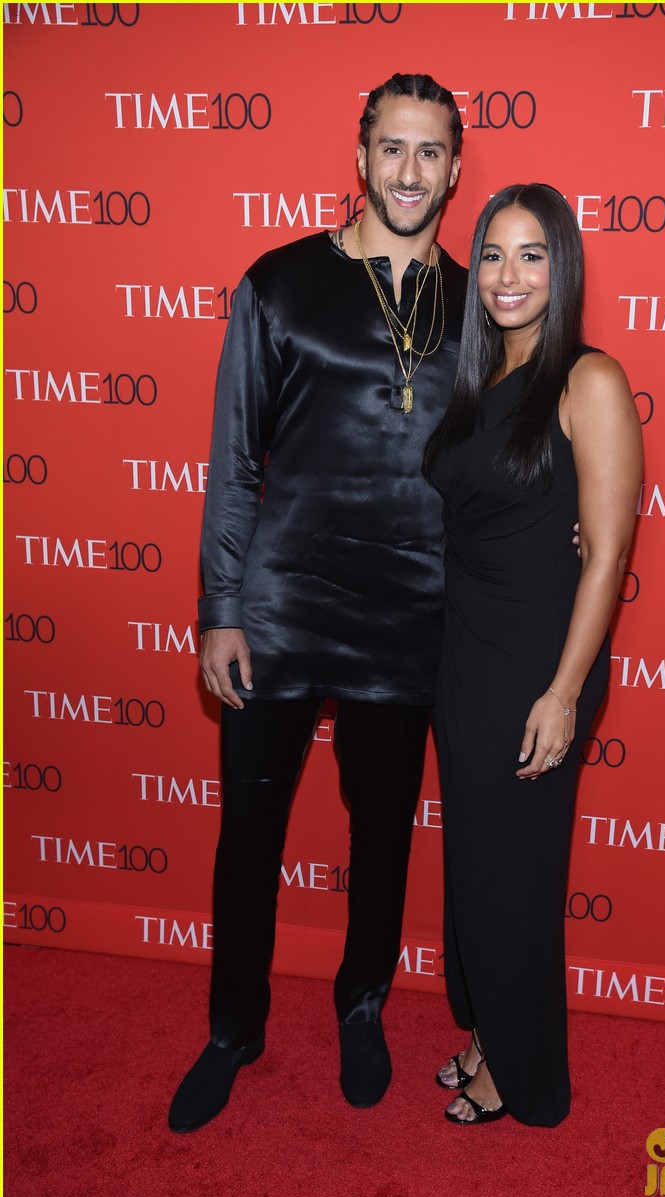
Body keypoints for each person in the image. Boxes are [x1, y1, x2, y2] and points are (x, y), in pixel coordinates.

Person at [167, 72, 467, 1134]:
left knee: (381, 831)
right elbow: (232, 456)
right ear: (359, 157)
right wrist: (221, 607)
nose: (408, 171)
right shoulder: (280, 282)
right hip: (281, 605)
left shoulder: (477, 305)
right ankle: (232, 1029)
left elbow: (505, 460)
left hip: (406, 615)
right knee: (248, 830)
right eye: (392, 148)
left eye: (429, 152)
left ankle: (361, 1001)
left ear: (453, 169)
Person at [424, 183, 643, 1127]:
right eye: (495, 257)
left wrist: (562, 694)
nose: (509, 277)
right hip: (463, 651)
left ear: (563, 268)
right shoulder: (474, 382)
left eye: (533, 255)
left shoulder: (588, 379)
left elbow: (607, 555)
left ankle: (522, 1071)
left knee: (513, 871)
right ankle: (488, 1032)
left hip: (536, 665)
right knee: (478, 862)